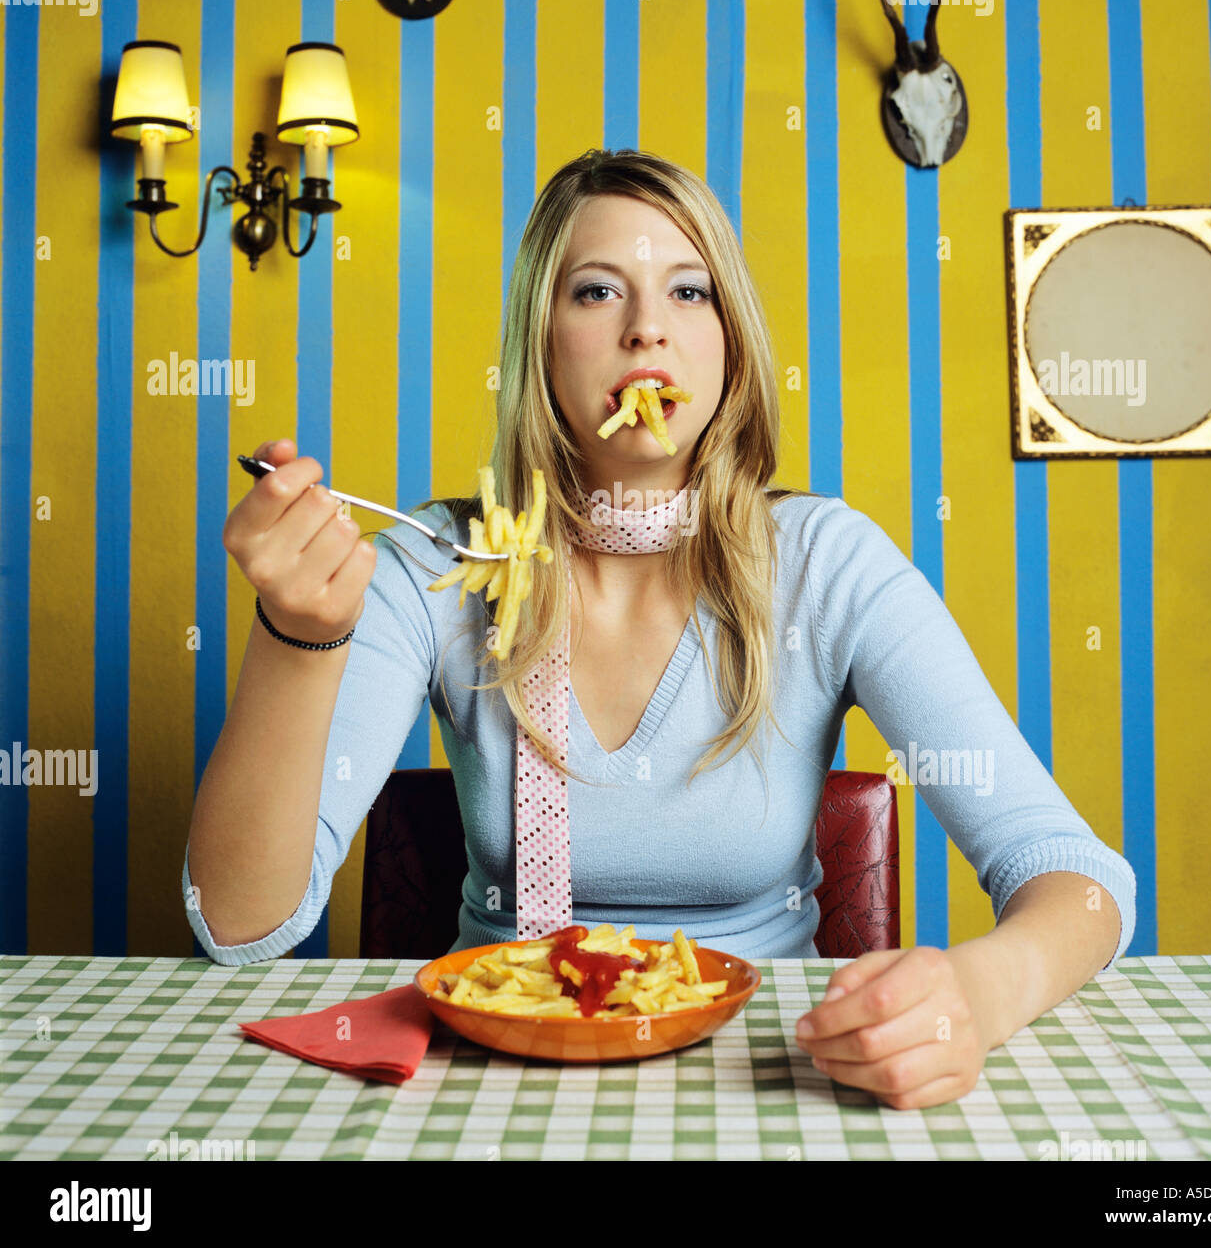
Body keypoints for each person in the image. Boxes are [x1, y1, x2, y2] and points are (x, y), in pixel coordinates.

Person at [184, 148, 1135, 1109]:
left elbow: (1081, 882)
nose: (648, 331)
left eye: (690, 291)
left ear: (731, 341)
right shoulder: (440, 564)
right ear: (538, 343)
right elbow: (241, 926)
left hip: (764, 1079)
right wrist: (296, 638)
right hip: (487, 1081)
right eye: (597, 292)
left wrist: (979, 992)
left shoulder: (824, 565)